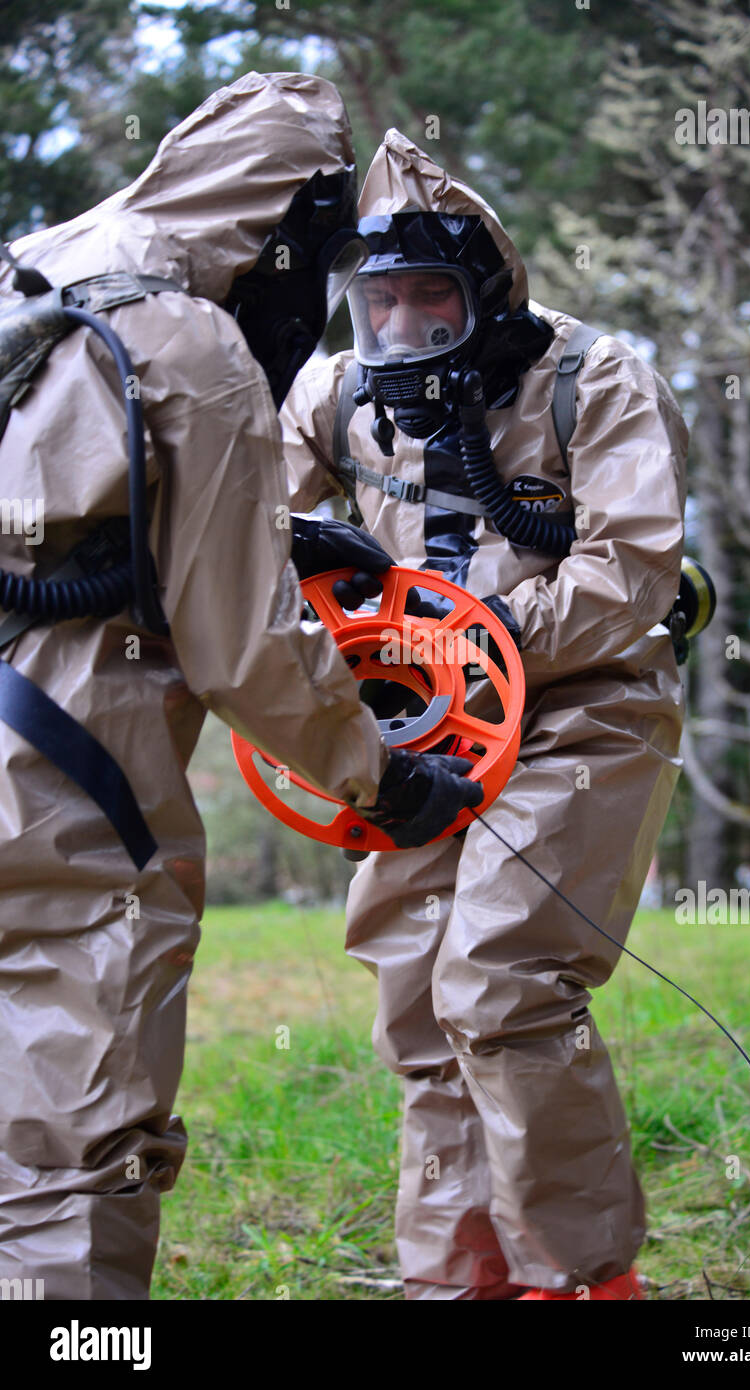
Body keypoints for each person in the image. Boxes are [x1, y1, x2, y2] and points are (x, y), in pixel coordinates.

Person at [0, 78, 478, 1301]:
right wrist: (383, 774)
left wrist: (282, 534)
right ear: (293, 217)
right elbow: (242, 649)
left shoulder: (34, 269)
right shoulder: (188, 334)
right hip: (68, 786)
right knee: (76, 1136)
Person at [281, 130, 688, 1300]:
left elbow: (633, 568)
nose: (402, 329)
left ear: (486, 294)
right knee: (416, 999)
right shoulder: (333, 393)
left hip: (581, 704)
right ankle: (457, 1282)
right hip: (421, 725)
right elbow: (248, 519)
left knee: (503, 983)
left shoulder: (592, 378)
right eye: (380, 302)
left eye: (431, 300)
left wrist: (488, 636)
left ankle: (581, 1279)